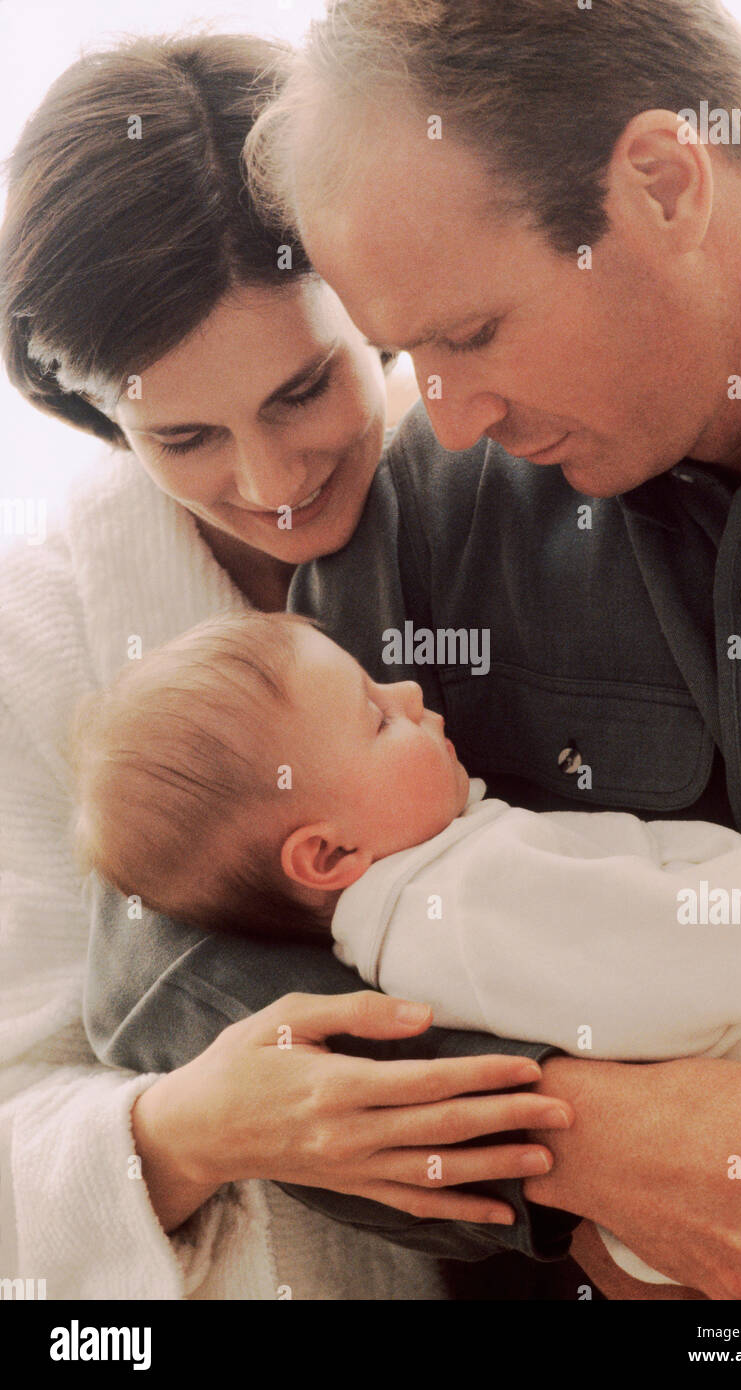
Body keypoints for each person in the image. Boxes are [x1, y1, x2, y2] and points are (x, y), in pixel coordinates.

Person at [234, 0, 741, 1299]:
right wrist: (567, 1136)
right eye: (406, 351)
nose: (450, 416)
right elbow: (193, 966)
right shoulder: (422, 514)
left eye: (470, 333)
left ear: (663, 184)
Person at [0, 32, 573, 1301]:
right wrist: (185, 1131)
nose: (271, 484)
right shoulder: (28, 648)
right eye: (184, 436)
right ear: (101, 416)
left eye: (306, 388)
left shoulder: (535, 482)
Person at [73, 608, 741, 1293]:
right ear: (327, 856)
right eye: (378, 718)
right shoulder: (465, 901)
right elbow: (706, 950)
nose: (411, 693)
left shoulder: (435, 900)